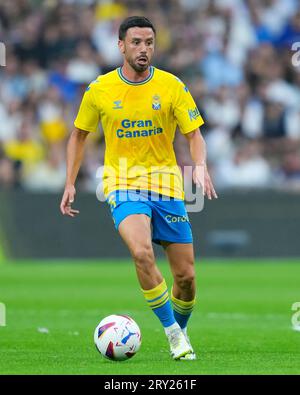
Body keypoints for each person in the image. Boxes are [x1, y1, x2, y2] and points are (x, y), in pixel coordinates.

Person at [60, 16, 217, 360]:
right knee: (142, 252)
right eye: (136, 42)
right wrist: (70, 182)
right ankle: (173, 335)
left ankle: (182, 329)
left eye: (149, 43)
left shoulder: (172, 85)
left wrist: (200, 165)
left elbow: (194, 135)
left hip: (167, 186)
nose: (143, 49)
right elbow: (78, 135)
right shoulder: (100, 89)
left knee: (186, 277)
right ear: (121, 45)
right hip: (122, 183)